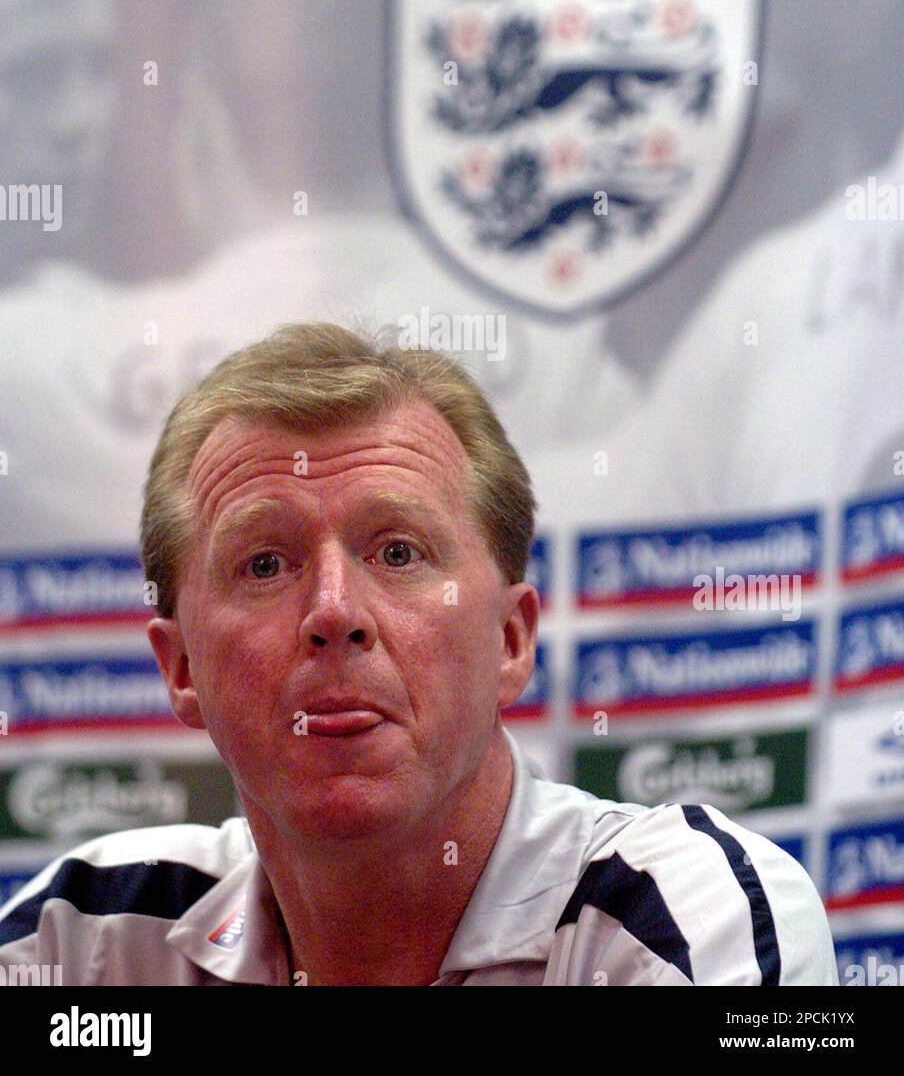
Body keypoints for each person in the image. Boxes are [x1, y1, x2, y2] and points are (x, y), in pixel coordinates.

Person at [0, 322, 838, 985]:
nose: (333, 613)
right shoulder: (84, 939)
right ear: (179, 669)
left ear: (510, 641)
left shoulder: (681, 913)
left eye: (397, 553)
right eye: (265, 564)